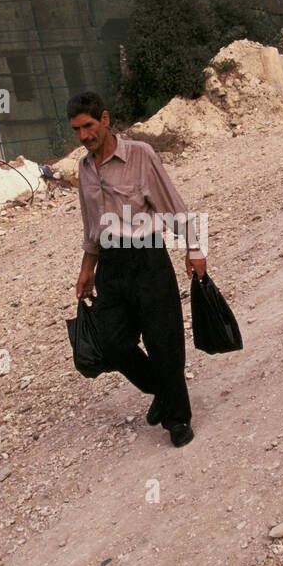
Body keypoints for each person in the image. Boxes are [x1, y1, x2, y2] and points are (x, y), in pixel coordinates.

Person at [69, 91, 206, 448]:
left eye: (88, 126)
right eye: (76, 130)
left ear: (105, 119)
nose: (83, 137)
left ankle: (177, 419)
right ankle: (163, 389)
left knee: (164, 342)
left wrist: (194, 248)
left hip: (147, 258)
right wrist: (87, 269)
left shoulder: (140, 155)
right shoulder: (83, 170)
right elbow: (91, 226)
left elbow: (173, 205)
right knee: (113, 344)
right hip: (111, 265)